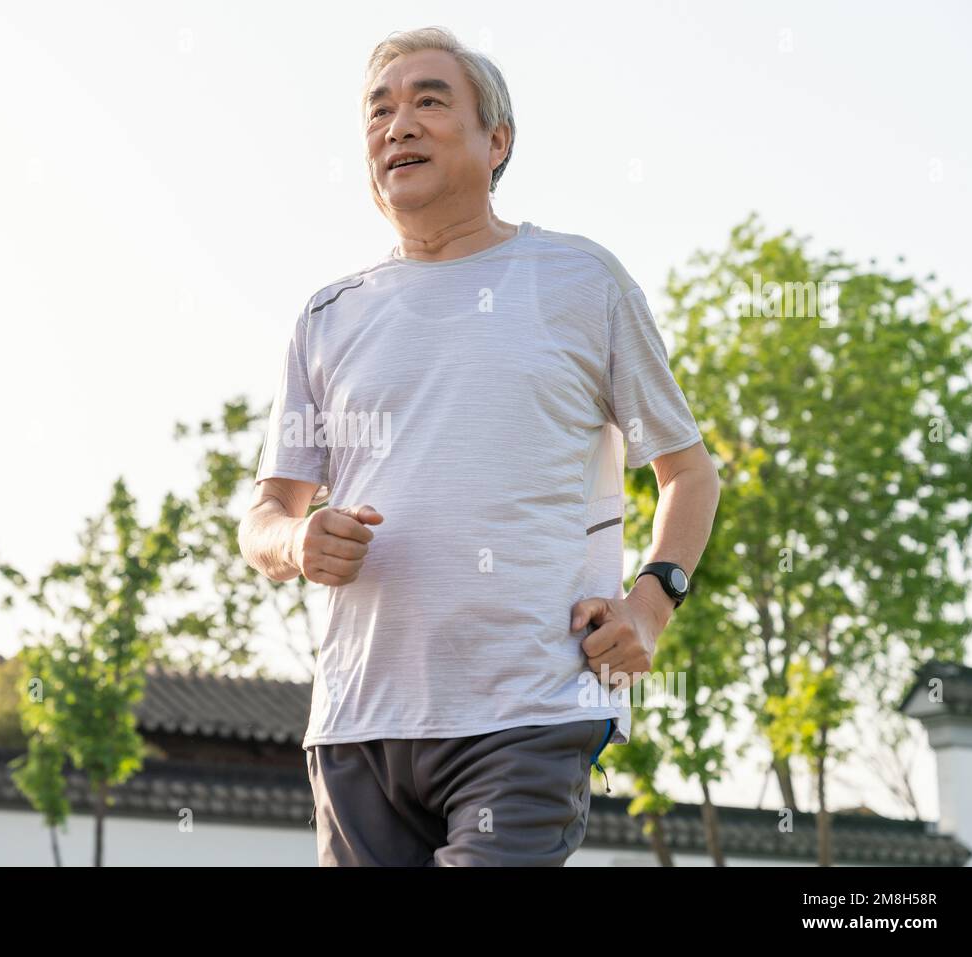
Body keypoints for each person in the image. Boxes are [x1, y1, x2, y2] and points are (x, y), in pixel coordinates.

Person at [238, 26, 720, 866]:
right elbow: (267, 514)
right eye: (378, 111)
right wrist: (295, 540)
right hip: (358, 722)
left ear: (497, 141)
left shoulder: (580, 280)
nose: (400, 125)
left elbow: (689, 471)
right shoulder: (327, 315)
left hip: (528, 708)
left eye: (429, 100)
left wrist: (651, 603)